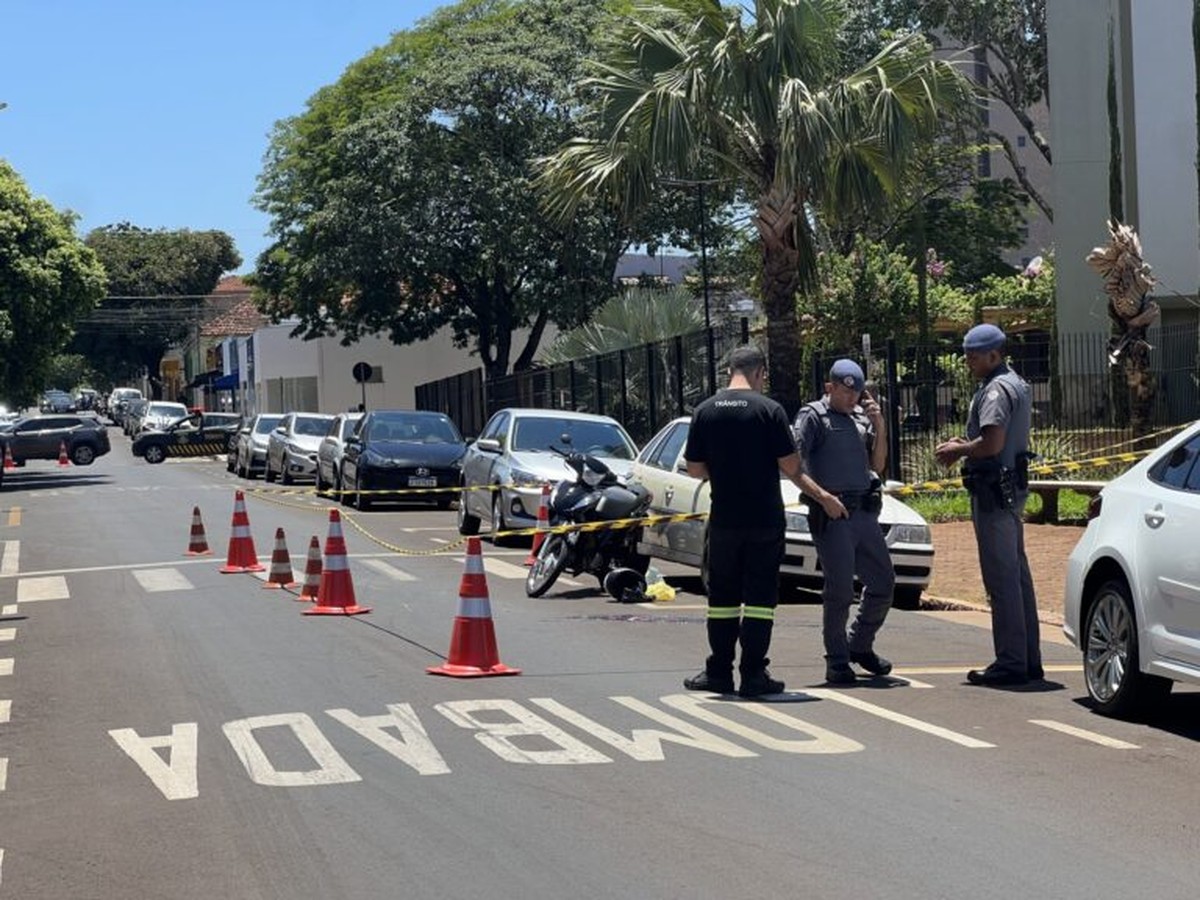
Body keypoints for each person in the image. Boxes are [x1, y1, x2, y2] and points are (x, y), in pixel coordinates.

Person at [683, 344, 809, 698]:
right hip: (765, 519)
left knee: (721, 597)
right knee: (759, 598)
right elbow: (790, 465)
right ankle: (754, 674)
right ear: (760, 373)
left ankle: (719, 672)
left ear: (730, 372)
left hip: (725, 518)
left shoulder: (705, 411)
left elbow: (694, 468)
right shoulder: (769, 410)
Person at [935, 323, 1042, 686]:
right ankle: (1028, 659)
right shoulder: (1016, 382)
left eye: (975, 356)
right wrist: (967, 442)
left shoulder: (996, 389)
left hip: (994, 491)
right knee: (1017, 576)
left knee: (1002, 579)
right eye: (967, 356)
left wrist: (958, 450)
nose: (969, 363)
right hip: (1010, 490)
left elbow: (993, 442)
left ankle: (1011, 662)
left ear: (995, 355)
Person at [793, 359, 895, 685]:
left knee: (883, 583)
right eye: (845, 391)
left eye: (856, 393)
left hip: (863, 512)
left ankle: (859, 645)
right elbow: (793, 466)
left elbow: (878, 466)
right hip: (832, 514)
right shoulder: (813, 416)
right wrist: (823, 497)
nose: (851, 399)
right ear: (830, 387)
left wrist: (880, 426)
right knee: (839, 590)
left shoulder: (861, 419)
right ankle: (836, 660)